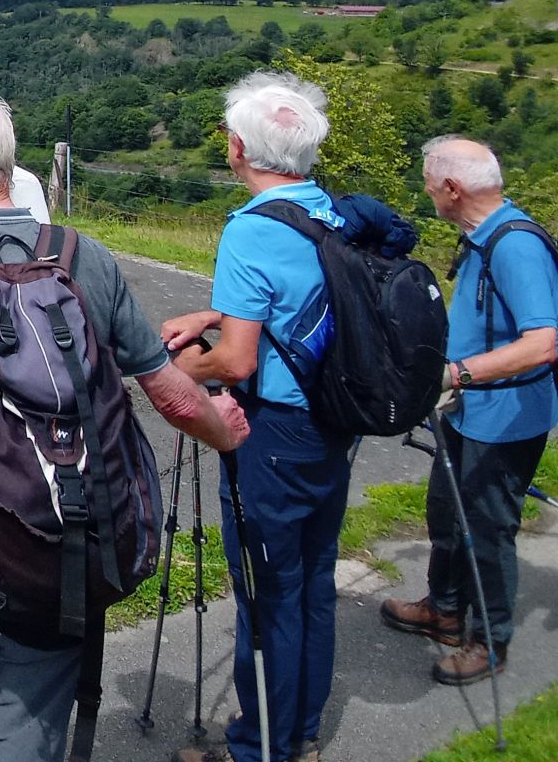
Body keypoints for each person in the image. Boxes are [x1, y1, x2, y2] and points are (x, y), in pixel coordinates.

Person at [0, 86, 249, 762]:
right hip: (56, 513)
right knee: (33, 718)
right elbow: (171, 394)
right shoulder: (83, 257)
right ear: (6, 164)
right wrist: (224, 431)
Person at [163, 72, 347, 762]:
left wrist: (181, 370)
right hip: (334, 423)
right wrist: (214, 314)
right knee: (314, 580)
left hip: (275, 432)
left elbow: (236, 363)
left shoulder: (250, 231)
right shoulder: (329, 214)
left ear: (239, 147)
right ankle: (300, 732)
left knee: (267, 595)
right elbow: (300, 305)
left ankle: (255, 747)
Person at [380, 136, 557, 683]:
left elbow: (543, 343)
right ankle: (446, 609)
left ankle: (489, 641)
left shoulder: (514, 245)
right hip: (468, 409)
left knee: (487, 525)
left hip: (504, 416)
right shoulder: (481, 237)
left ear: (453, 189)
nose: (428, 193)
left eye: (432, 185)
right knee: (446, 511)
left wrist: (457, 374)